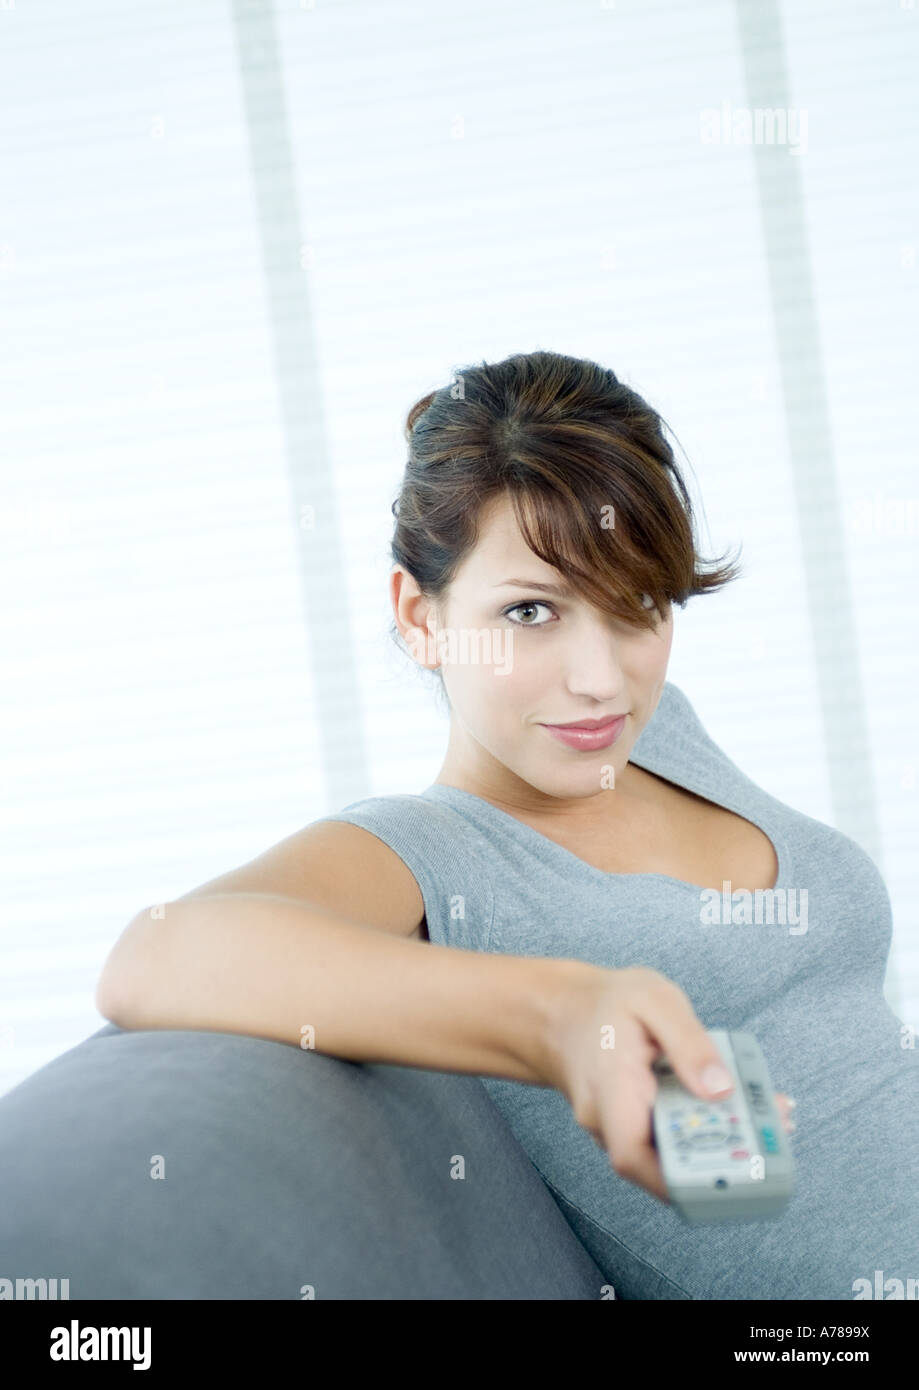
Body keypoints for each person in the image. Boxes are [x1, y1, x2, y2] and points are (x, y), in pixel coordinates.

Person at [96, 349, 917, 1300]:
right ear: (420, 615)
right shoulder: (434, 853)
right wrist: (561, 1019)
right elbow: (154, 959)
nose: (602, 679)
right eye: (530, 611)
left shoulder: (659, 732)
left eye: (636, 605)